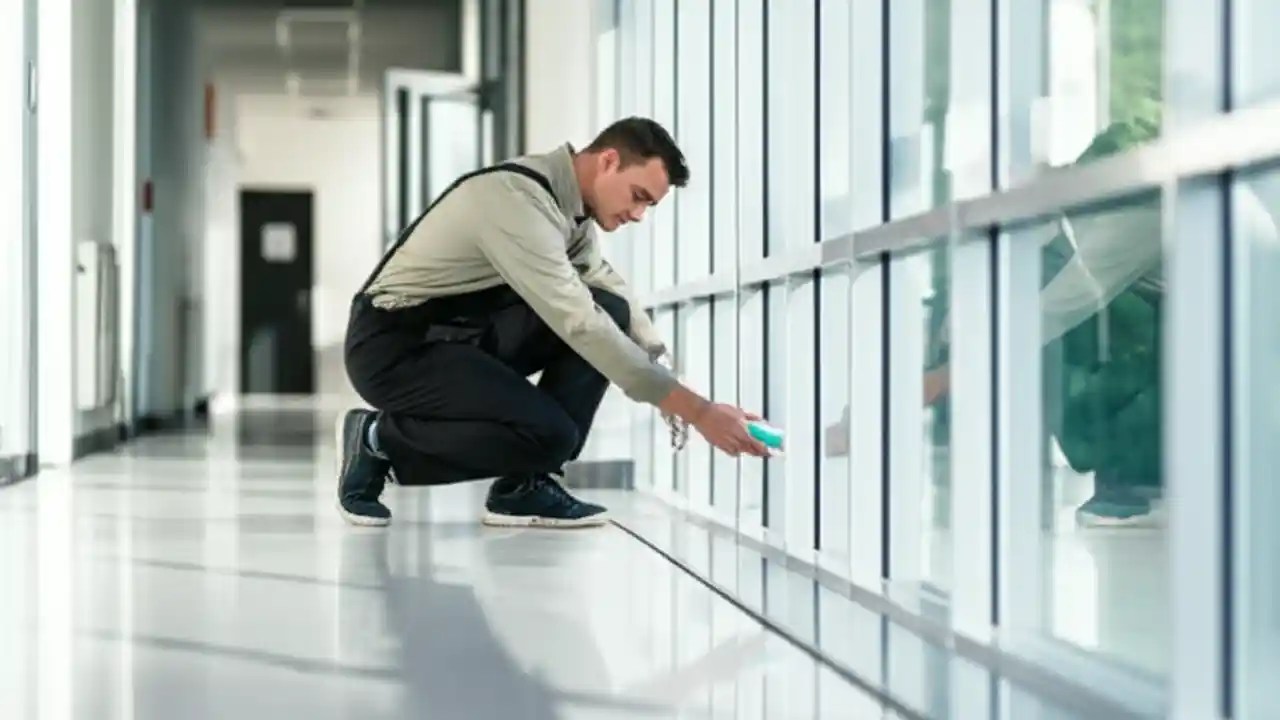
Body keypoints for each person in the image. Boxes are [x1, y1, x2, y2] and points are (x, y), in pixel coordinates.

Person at [336, 117, 769, 528]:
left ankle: (523, 486)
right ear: (609, 161)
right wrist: (696, 410)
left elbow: (604, 286)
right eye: (639, 196)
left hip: (459, 337)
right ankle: (376, 440)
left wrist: (661, 368)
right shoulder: (516, 200)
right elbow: (579, 321)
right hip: (395, 347)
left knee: (611, 312)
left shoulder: (570, 209)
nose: (639, 215)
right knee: (551, 435)